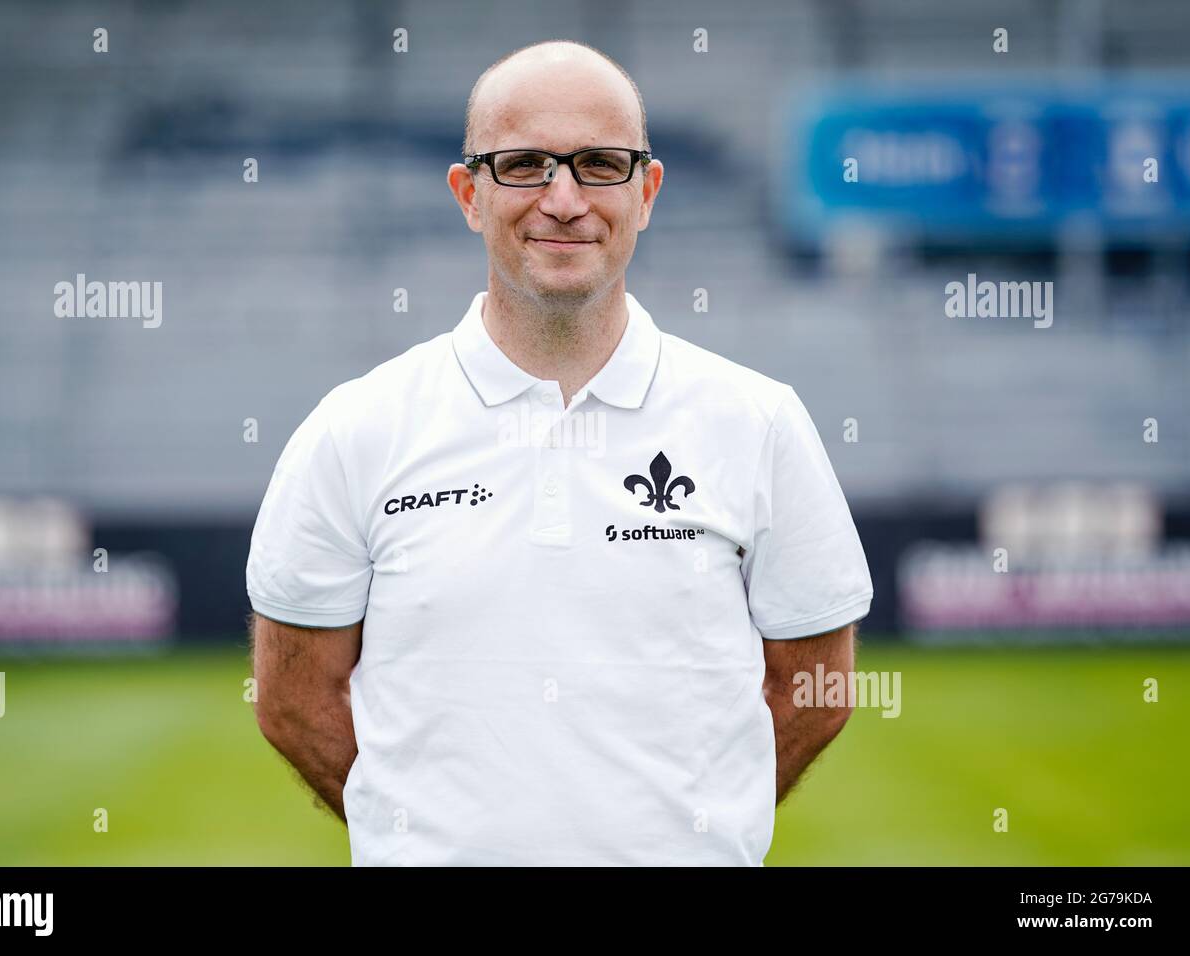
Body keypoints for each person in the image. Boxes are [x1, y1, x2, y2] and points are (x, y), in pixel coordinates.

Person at [247, 38, 873, 866]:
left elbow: (816, 690)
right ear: (468, 194)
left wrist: (698, 833)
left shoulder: (758, 423)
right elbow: (293, 698)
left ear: (647, 192)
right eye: (525, 165)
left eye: (601, 164)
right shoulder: (355, 429)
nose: (565, 199)